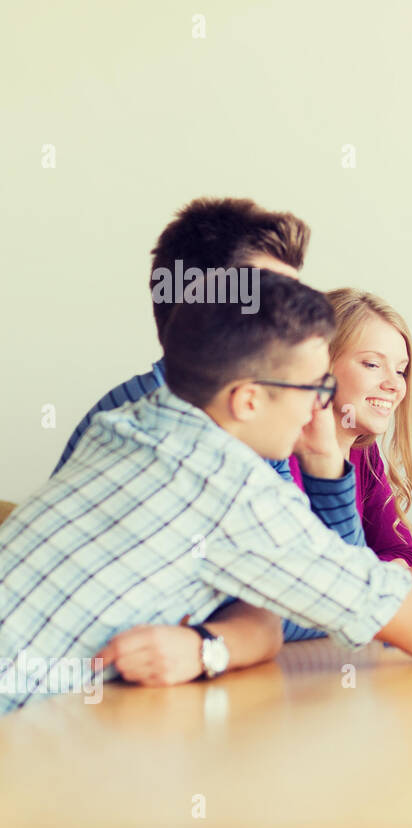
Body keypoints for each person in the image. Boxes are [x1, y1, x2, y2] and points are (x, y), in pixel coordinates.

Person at [0, 272, 412, 713]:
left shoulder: (134, 424)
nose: (320, 408)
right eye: (311, 389)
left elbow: (294, 603)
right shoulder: (233, 490)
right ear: (245, 398)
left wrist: (224, 639)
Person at [51, 196, 373, 646]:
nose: (293, 314)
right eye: (270, 297)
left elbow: (323, 585)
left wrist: (324, 462)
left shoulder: (254, 422)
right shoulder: (152, 426)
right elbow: (324, 605)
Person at [287, 289, 412, 581]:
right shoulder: (281, 454)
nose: (393, 384)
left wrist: (386, 573)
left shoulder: (364, 453)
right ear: (321, 365)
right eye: (372, 364)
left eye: (401, 371)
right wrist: (382, 577)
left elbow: (403, 555)